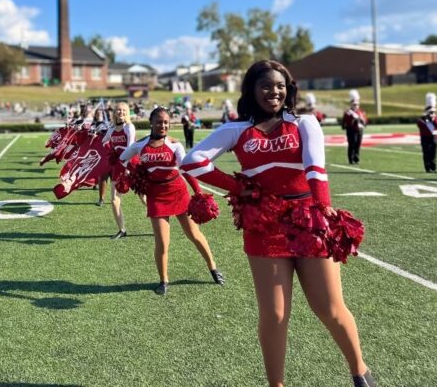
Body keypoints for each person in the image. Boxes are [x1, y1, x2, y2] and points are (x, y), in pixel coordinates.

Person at [182, 60, 375, 387]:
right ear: (252, 91)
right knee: (274, 314)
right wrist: (238, 187)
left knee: (328, 307)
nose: (274, 92)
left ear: (289, 90)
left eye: (279, 86)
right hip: (264, 226)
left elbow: (316, 166)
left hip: (308, 220)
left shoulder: (303, 122)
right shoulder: (237, 129)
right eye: (266, 86)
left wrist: (324, 206)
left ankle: (359, 371)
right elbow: (192, 161)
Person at [120, 107, 224, 295]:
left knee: (194, 234)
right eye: (159, 122)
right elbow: (121, 159)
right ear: (151, 123)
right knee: (162, 242)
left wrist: (198, 192)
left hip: (178, 191)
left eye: (166, 122)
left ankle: (213, 268)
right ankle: (163, 280)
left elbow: (185, 169)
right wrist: (134, 174)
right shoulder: (140, 145)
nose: (163, 125)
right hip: (156, 196)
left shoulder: (175, 144)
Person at [102, 102, 136, 239]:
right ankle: (122, 230)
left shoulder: (129, 127)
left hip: (131, 164)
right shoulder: (111, 129)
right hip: (118, 165)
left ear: (127, 112)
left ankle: (159, 221)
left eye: (123, 110)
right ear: (114, 112)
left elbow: (131, 147)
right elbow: (103, 141)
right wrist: (111, 150)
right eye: (118, 110)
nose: (120, 112)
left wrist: (126, 166)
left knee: (144, 198)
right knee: (114, 200)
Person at [417, 92, 437, 173]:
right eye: (431, 112)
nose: (432, 113)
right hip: (425, 138)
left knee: (433, 154)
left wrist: (433, 120)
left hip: (434, 137)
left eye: (433, 112)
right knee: (426, 153)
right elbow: (420, 125)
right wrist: (426, 119)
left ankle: (433, 168)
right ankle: (427, 168)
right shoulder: (422, 119)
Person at [342, 90, 367, 165]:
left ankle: (357, 158)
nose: (355, 106)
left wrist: (362, 119)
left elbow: (365, 122)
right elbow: (346, 122)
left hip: (359, 130)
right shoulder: (348, 112)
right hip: (351, 130)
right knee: (352, 144)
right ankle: (351, 158)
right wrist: (353, 119)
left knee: (358, 144)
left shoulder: (361, 112)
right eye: (354, 105)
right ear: (351, 104)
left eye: (356, 105)